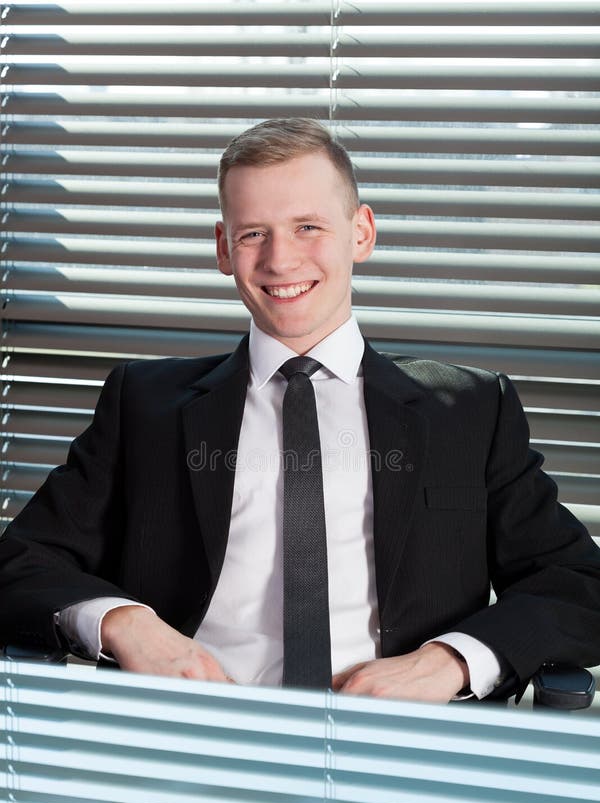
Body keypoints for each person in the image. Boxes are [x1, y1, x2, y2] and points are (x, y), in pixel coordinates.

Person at [1, 118, 599, 704]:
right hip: (185, 727)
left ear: (361, 233)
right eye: (253, 233)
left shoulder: (468, 409)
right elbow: (21, 563)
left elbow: (579, 587)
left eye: (308, 226)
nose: (280, 261)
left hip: (406, 738)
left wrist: (448, 661)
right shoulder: (145, 404)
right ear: (221, 248)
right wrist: (129, 626)